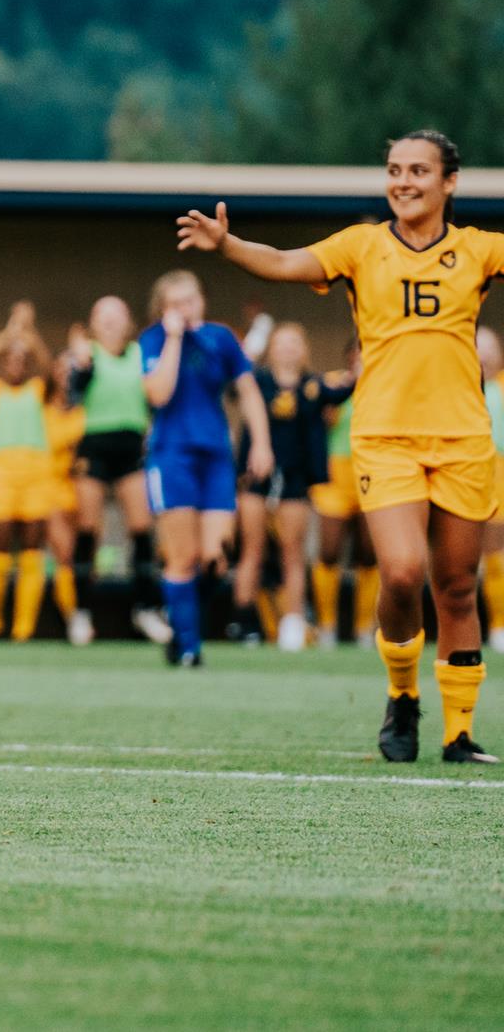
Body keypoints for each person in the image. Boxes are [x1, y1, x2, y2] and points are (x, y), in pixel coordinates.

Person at [177, 129, 498, 763]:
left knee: (457, 587)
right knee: (403, 572)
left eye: (418, 171)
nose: (403, 181)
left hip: (464, 438)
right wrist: (227, 245)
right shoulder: (361, 247)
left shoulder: (481, 252)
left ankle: (459, 733)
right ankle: (402, 698)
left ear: (449, 183)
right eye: (394, 170)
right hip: (383, 437)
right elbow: (283, 262)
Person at [137, 270, 272, 667]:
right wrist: (175, 337)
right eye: (176, 303)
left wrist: (261, 443)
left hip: (215, 456)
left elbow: (247, 390)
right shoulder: (154, 340)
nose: (186, 308)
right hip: (171, 455)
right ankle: (188, 646)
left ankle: (180, 617)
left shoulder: (221, 338)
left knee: (216, 556)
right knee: (182, 554)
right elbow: (158, 394)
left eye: (192, 299)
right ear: (163, 309)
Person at [229, 323, 349, 653]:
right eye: (282, 343)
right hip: (256, 477)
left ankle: (293, 622)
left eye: (295, 342)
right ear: (272, 349)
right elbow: (231, 387)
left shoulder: (314, 385)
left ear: (304, 349)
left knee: (292, 551)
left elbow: (345, 388)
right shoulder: (257, 381)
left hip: (296, 479)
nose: (288, 349)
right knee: (251, 549)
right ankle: (244, 621)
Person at [65, 298, 164, 645]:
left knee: (141, 529)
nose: (109, 322)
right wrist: (81, 366)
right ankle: (81, 613)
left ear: (128, 322)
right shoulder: (84, 355)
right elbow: (72, 396)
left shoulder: (141, 355)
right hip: (94, 446)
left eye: (116, 316)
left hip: (132, 447)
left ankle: (146, 609)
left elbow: (157, 396)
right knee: (88, 529)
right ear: (92, 323)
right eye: (102, 316)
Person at [0, 312, 54, 642]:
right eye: (10, 358)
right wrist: (8, 334)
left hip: (36, 474)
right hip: (0, 474)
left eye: (22, 359)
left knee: (33, 551)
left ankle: (24, 628)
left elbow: (48, 368)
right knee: (0, 550)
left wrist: (29, 334)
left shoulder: (38, 389)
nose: (16, 363)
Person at [308, 341, 378, 649]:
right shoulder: (334, 383)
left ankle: (366, 627)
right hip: (336, 473)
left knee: (369, 552)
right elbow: (319, 416)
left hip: (373, 472)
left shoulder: (385, 384)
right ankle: (327, 626)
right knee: (330, 550)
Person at [44, 355, 89, 645]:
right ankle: (74, 616)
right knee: (65, 556)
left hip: (81, 489)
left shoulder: (87, 411)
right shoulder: (42, 409)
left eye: (71, 370)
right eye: (61, 369)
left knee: (83, 556)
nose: (66, 375)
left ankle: (82, 608)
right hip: (51, 490)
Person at [482, 328, 504, 654]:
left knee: (497, 551)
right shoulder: (451, 385)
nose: (483, 355)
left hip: (498, 471)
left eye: (489, 348)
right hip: (460, 469)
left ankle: (499, 626)